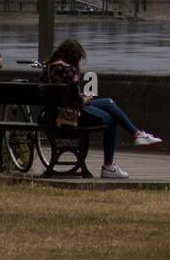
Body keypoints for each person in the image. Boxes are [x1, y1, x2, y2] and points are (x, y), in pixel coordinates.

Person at [43, 39, 162, 178]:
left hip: (51, 116)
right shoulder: (68, 70)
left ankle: (137, 135)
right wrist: (86, 98)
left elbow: (64, 96)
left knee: (108, 103)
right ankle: (109, 165)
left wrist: (80, 97)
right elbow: (76, 101)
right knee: (110, 119)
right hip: (70, 117)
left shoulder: (48, 69)